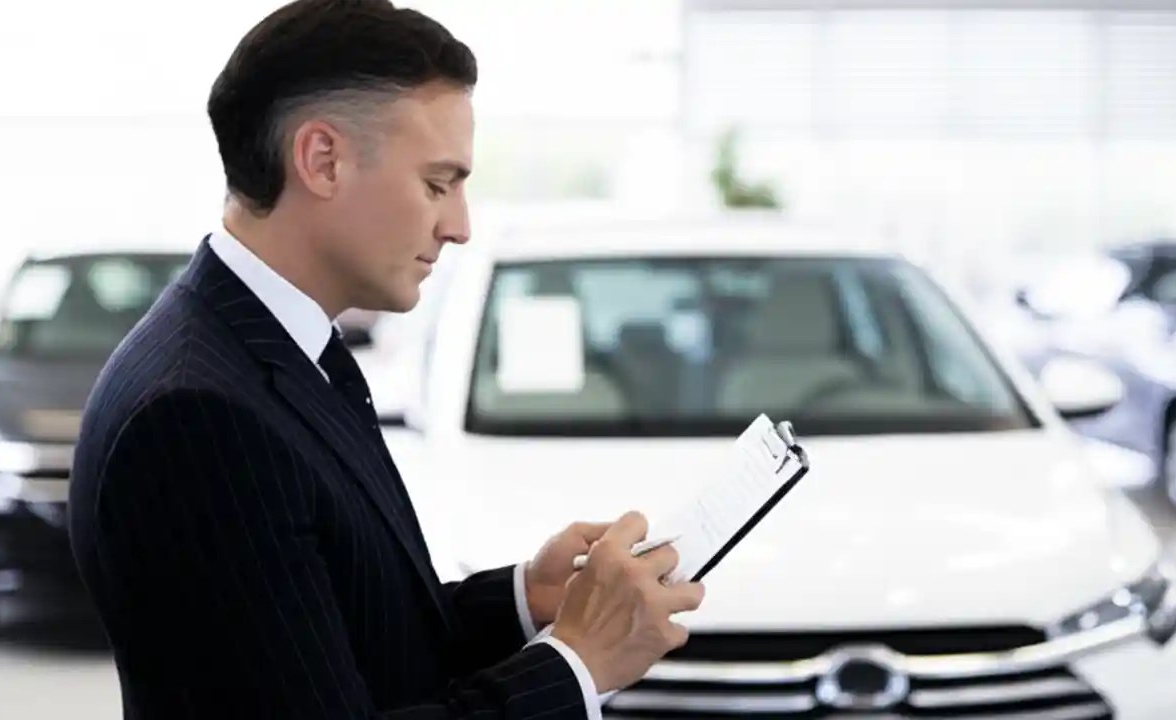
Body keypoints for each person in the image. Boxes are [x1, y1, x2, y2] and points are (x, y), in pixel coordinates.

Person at [66, 1, 705, 718]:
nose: (459, 226)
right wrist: (577, 663)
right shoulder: (197, 419)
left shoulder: (276, 348)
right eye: (438, 184)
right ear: (322, 160)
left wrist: (527, 599)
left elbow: (345, 634)